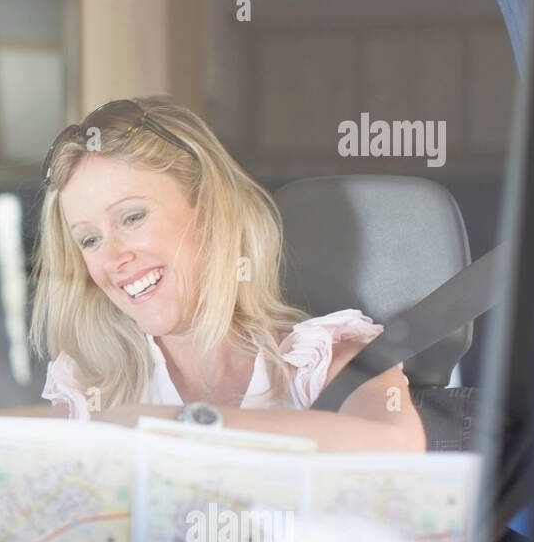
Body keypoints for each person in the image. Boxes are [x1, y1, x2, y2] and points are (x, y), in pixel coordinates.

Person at [30, 96, 426, 452]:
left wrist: (172, 426)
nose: (113, 258)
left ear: (208, 211)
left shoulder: (325, 362)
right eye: (89, 240)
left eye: (132, 217)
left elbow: (397, 448)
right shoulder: (90, 393)